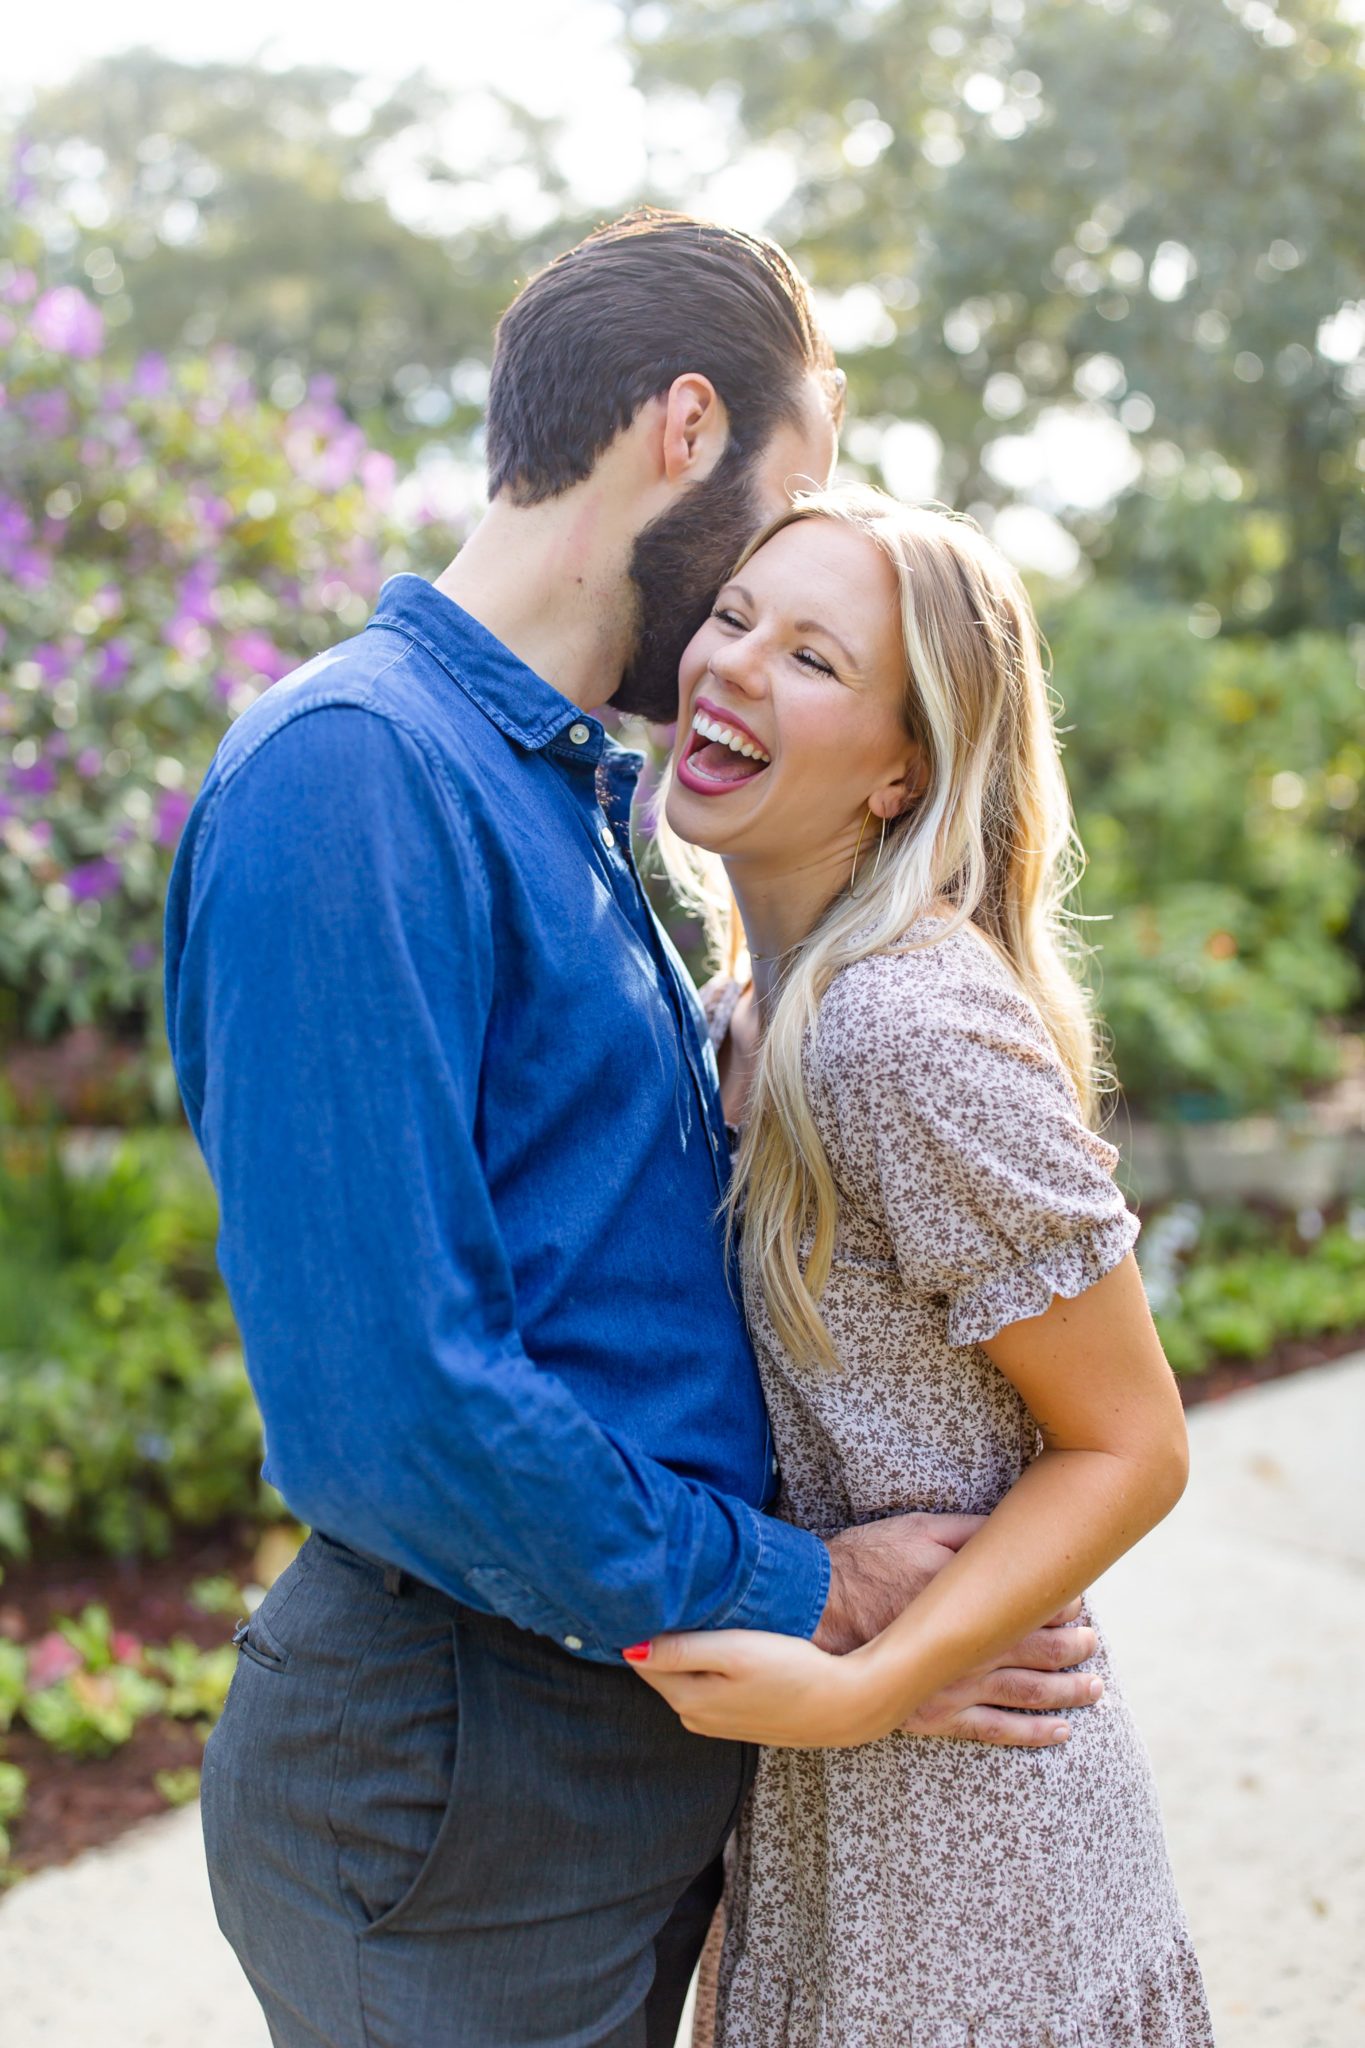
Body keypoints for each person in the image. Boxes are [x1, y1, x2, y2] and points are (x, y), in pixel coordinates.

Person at [163, 216, 1108, 2048]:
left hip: (586, 1752)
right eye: (786, 495)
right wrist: (812, 1592)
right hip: (458, 1777)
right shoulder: (355, 769)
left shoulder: (560, 793)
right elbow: (391, 1403)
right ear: (686, 429)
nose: (771, 564)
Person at [632, 485, 1215, 2045]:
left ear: (904, 768)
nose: (736, 664)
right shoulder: (733, 1019)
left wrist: (859, 1692)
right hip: (819, 1818)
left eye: (813, 658)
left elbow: (1133, 1443)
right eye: (735, 618)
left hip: (973, 1848)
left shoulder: (900, 1031)